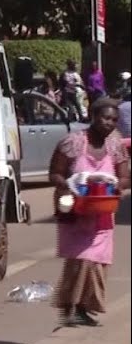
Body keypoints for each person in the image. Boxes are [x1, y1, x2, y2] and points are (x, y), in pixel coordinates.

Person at [47, 98, 130, 327]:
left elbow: (125, 177)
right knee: (80, 259)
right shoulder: (72, 142)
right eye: (105, 118)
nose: (109, 123)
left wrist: (115, 184)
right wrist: (70, 183)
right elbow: (54, 173)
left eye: (114, 119)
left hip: (102, 212)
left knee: (97, 261)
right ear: (93, 117)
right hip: (76, 211)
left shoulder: (115, 147)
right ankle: (69, 307)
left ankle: (84, 308)